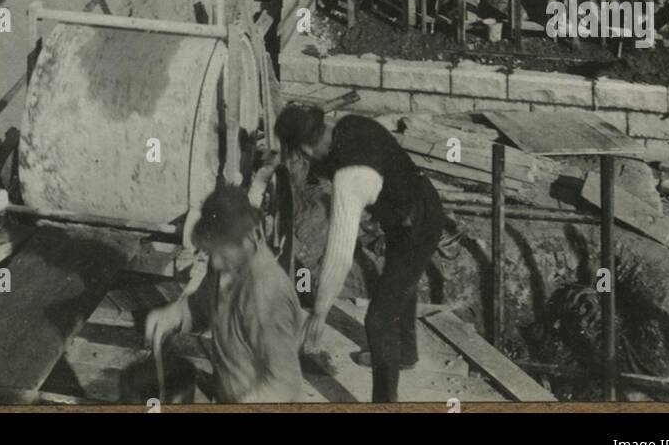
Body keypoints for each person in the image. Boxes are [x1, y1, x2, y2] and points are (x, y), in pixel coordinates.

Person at [274, 104, 444, 403]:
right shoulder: (351, 124)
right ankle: (405, 352)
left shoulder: (349, 177)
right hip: (411, 207)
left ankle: (384, 403)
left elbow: (339, 259)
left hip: (418, 224)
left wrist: (319, 312)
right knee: (399, 281)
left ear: (304, 147)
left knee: (378, 319)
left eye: (300, 153)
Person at [144, 185, 304, 404]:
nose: (216, 262)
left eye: (221, 251)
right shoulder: (226, 263)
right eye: (212, 251)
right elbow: (202, 307)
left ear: (248, 238)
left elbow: (285, 383)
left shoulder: (265, 292)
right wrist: (174, 314)